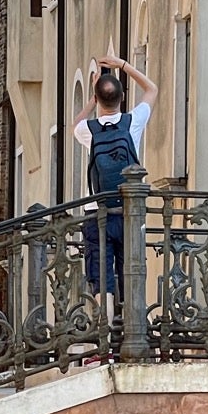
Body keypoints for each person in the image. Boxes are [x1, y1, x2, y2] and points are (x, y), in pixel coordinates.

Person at [73, 55, 156, 295]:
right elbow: (152, 89)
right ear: (122, 97)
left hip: (96, 212)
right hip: (128, 212)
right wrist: (122, 65)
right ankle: (133, 329)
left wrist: (93, 97)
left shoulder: (88, 129)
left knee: (103, 283)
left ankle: (106, 331)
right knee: (131, 275)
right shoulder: (132, 123)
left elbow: (75, 123)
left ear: (99, 99)